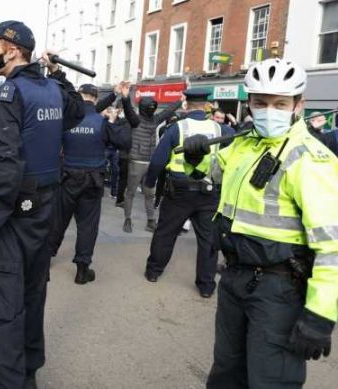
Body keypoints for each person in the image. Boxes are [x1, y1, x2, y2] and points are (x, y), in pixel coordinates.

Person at [180, 59, 338, 387]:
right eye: (261, 103)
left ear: (299, 105)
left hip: (279, 288)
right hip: (236, 277)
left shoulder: (310, 158)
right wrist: (196, 160)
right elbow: (214, 174)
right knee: (226, 374)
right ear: (249, 102)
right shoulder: (244, 142)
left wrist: (321, 315)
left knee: (270, 380)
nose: (269, 111)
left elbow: (332, 244)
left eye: (280, 104)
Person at [0, 21, 85, 388]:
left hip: (12, 217)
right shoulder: (51, 90)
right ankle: (27, 373)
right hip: (44, 210)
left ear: (12, 50)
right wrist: (58, 73)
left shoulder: (10, 94)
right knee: (31, 297)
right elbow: (77, 110)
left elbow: (2, 168)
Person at [143, 88, 228, 298]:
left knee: (165, 233)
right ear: (207, 106)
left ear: (186, 105)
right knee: (208, 240)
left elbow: (158, 160)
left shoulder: (176, 128)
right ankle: (206, 285)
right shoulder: (220, 130)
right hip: (209, 192)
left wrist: (151, 182)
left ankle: (154, 272)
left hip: (179, 192)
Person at [47, 83, 129, 284]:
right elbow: (125, 141)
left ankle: (45, 258)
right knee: (87, 225)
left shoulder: (65, 121)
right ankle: (82, 270)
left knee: (58, 221)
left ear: (80, 96)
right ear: (95, 98)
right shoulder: (101, 123)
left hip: (67, 177)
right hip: (92, 180)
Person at [119, 85, 183, 233]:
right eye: (151, 106)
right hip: (136, 160)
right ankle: (127, 220)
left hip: (150, 161)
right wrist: (125, 97)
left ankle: (151, 221)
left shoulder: (154, 119)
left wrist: (180, 100)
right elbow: (128, 110)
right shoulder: (136, 120)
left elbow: (168, 111)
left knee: (150, 193)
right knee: (131, 193)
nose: (152, 109)